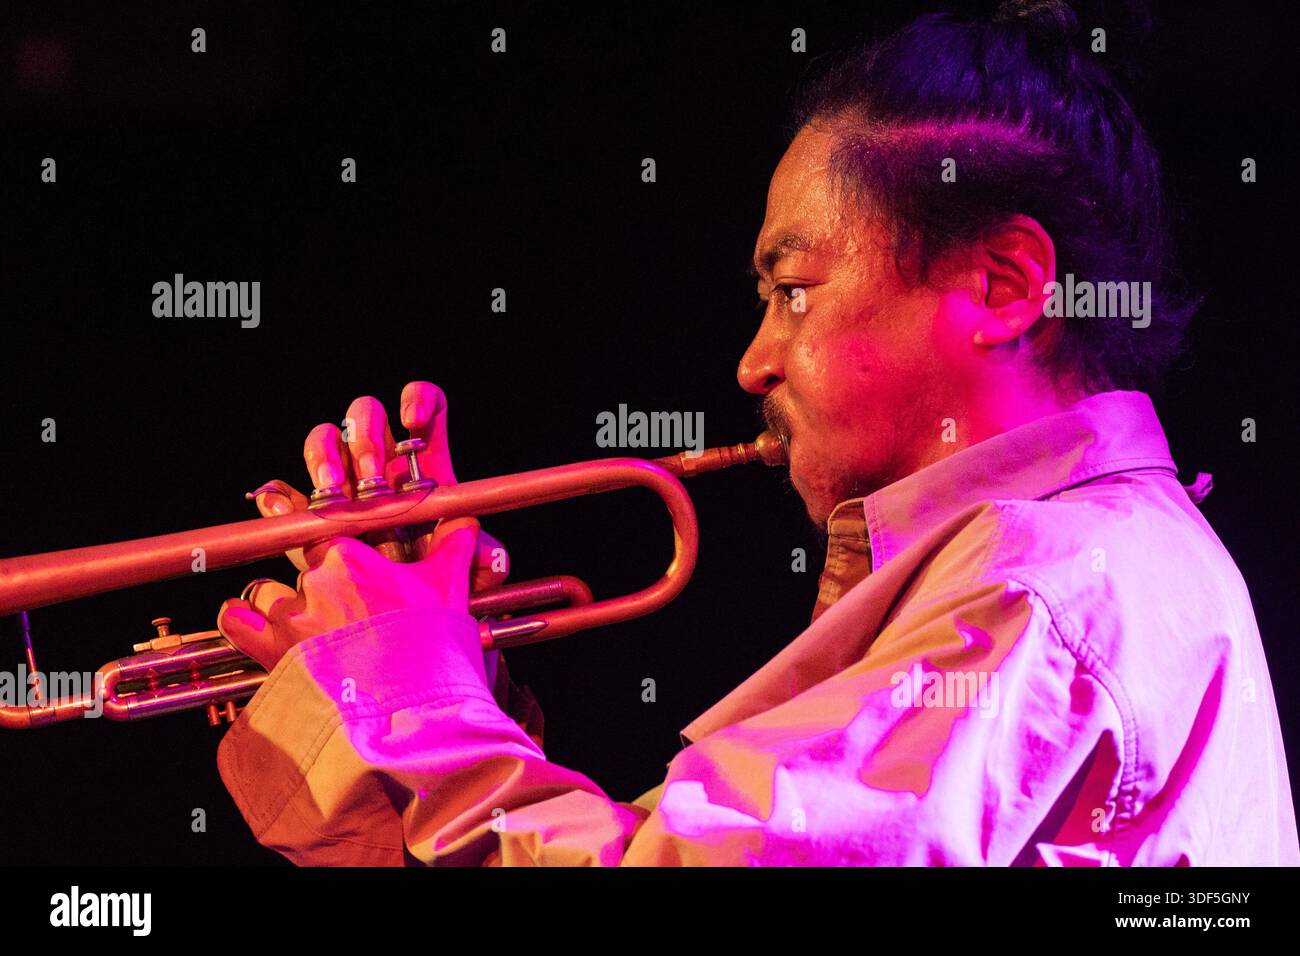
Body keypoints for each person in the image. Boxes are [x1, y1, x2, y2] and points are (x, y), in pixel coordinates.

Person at [214, 2, 1299, 865]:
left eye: (792, 290)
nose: (752, 361)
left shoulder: (1046, 583)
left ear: (1003, 283)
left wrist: (410, 684)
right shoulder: (1076, 567)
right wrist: (409, 703)